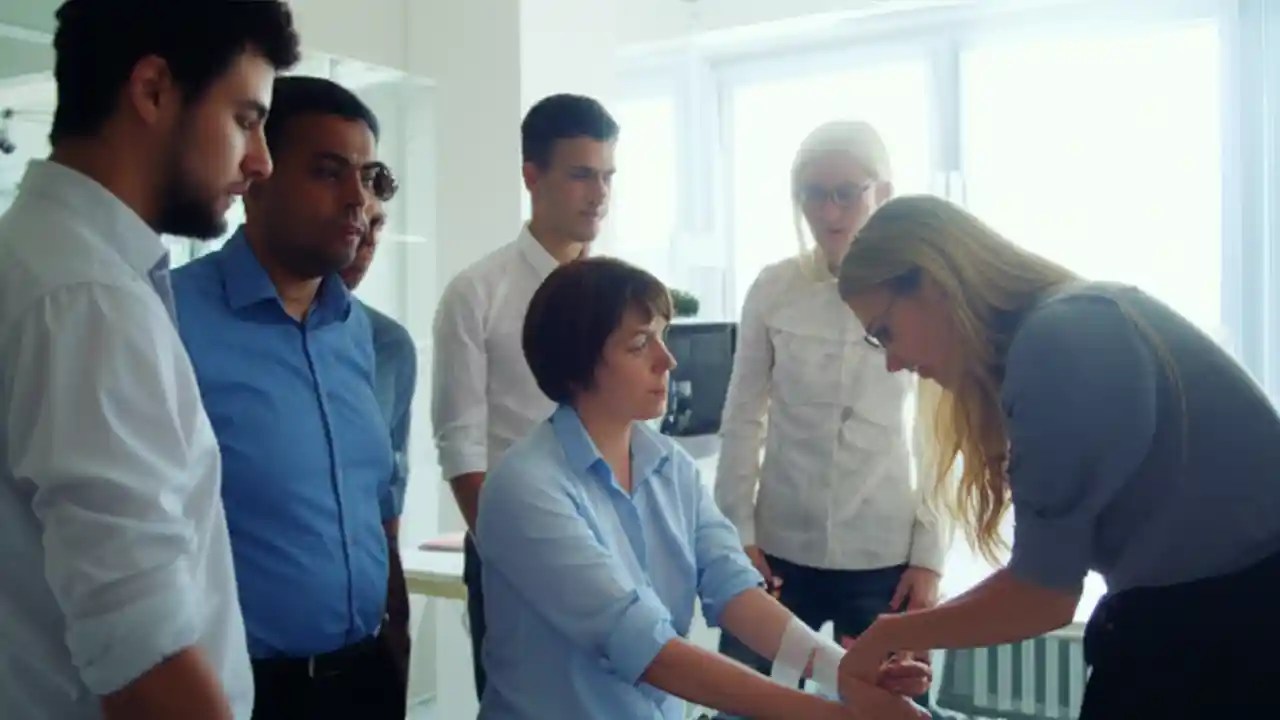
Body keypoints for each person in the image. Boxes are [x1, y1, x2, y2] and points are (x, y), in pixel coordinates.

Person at [835, 195, 1280, 718]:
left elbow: (1043, 594)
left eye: (884, 332)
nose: (892, 363)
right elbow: (1043, 583)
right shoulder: (1071, 324)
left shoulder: (1060, 341)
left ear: (932, 280)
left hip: (1235, 627)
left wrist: (887, 636)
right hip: (1208, 618)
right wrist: (911, 634)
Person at [0, 2, 299, 719]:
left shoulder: (37, 259)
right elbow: (143, 656)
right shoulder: (85, 297)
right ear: (154, 90)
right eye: (245, 119)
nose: (260, 162)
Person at [477, 256, 932, 720]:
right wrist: (840, 714)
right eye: (639, 345)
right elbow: (646, 649)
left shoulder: (670, 467)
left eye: (661, 335)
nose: (667, 360)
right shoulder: (526, 487)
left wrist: (850, 674)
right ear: (576, 364)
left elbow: (736, 591)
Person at [172, 76, 403, 720]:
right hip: (240, 688)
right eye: (329, 172)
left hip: (363, 676)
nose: (358, 199)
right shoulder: (170, 317)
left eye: (370, 176)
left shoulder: (357, 331)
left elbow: (375, 508)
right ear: (258, 177)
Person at [714, 122, 944, 703]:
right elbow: (743, 419)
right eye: (813, 194)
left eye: (847, 191)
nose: (830, 210)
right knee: (743, 702)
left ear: (882, 193)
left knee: (890, 708)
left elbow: (939, 435)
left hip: (882, 555)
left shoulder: (922, 291)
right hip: (778, 551)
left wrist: (930, 559)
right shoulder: (774, 289)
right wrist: (737, 536)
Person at [431, 92, 616, 698]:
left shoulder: (619, 293)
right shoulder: (476, 294)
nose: (599, 194)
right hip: (511, 550)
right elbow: (461, 444)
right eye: (582, 174)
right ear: (531, 177)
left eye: (607, 176)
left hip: (610, 542)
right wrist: (514, 557)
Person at [339, 188, 418, 693]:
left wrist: (397, 622)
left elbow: (387, 504)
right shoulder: (185, 313)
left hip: (365, 638)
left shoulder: (388, 345)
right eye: (358, 222)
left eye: (378, 225)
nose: (366, 241)